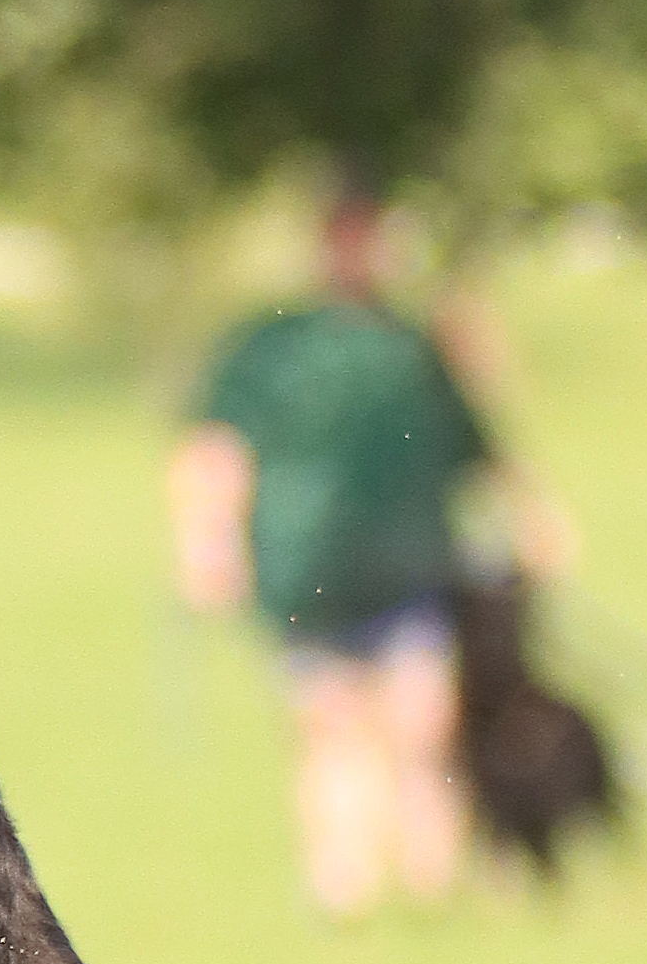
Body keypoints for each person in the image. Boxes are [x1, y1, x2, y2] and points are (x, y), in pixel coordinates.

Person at [166, 180, 564, 919]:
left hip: (411, 567)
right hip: (304, 569)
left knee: (423, 722)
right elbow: (215, 449)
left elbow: (474, 441)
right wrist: (205, 541)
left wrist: (531, 514)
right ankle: (342, 890)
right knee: (332, 725)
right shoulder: (270, 346)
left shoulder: (414, 346)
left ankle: (429, 884)